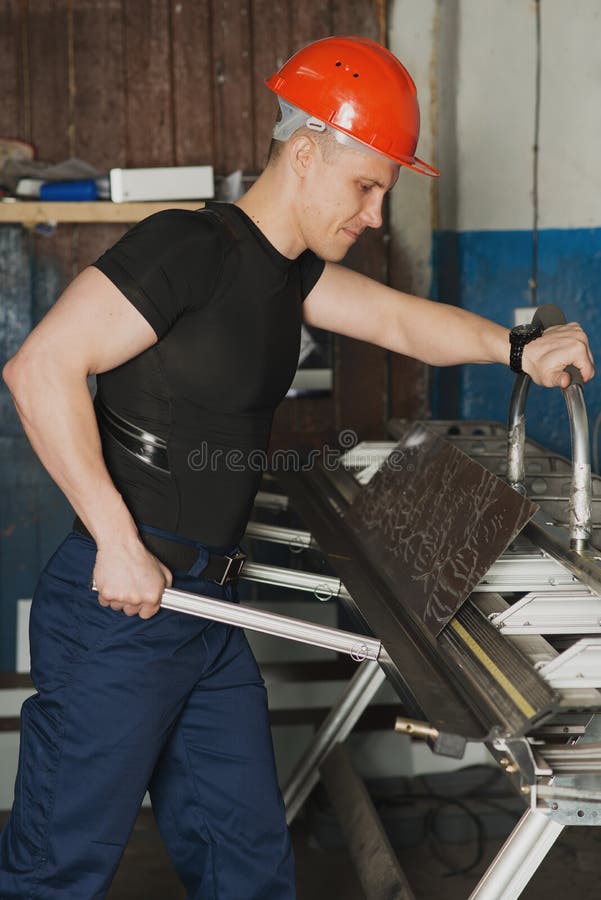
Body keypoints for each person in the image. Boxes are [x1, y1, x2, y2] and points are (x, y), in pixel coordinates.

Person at [0, 34, 594, 900]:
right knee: (59, 868)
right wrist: (117, 542)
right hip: (122, 608)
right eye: (365, 187)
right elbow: (39, 368)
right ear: (306, 154)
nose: (375, 215)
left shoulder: (287, 276)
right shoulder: (186, 247)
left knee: (246, 862)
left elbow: (399, 323)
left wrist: (515, 348)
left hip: (205, 606)